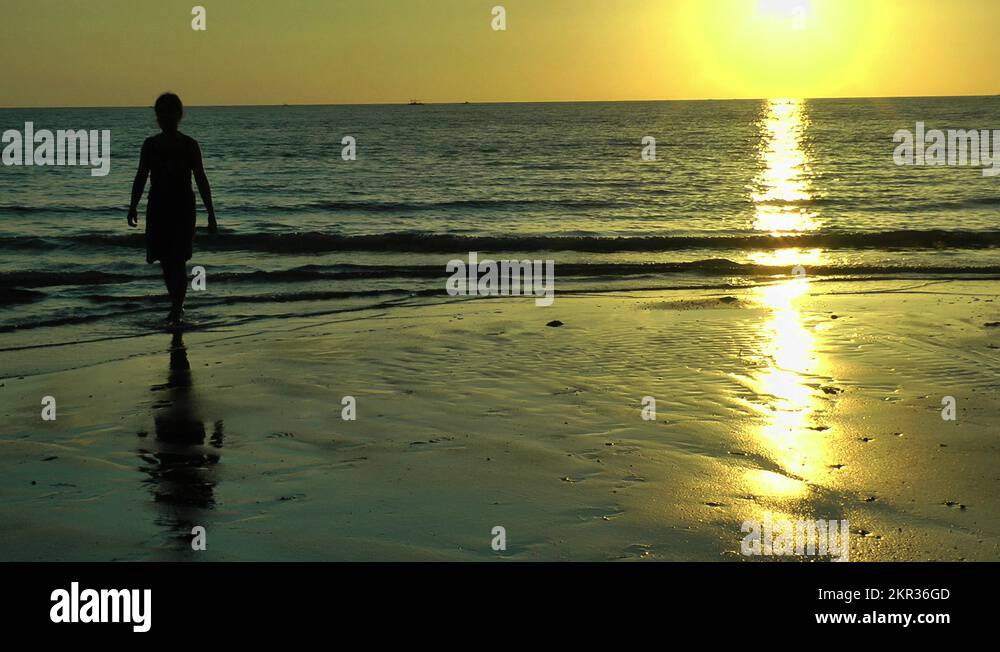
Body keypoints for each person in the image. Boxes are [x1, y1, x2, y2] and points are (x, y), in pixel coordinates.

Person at [127, 92, 217, 325]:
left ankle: (177, 308)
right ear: (157, 116)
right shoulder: (150, 145)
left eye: (170, 112)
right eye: (161, 112)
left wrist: (211, 212)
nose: (166, 117)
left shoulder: (189, 145)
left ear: (179, 115)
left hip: (183, 207)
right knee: (166, 261)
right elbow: (140, 177)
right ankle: (176, 305)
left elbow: (201, 178)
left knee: (178, 259)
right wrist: (133, 206)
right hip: (158, 206)